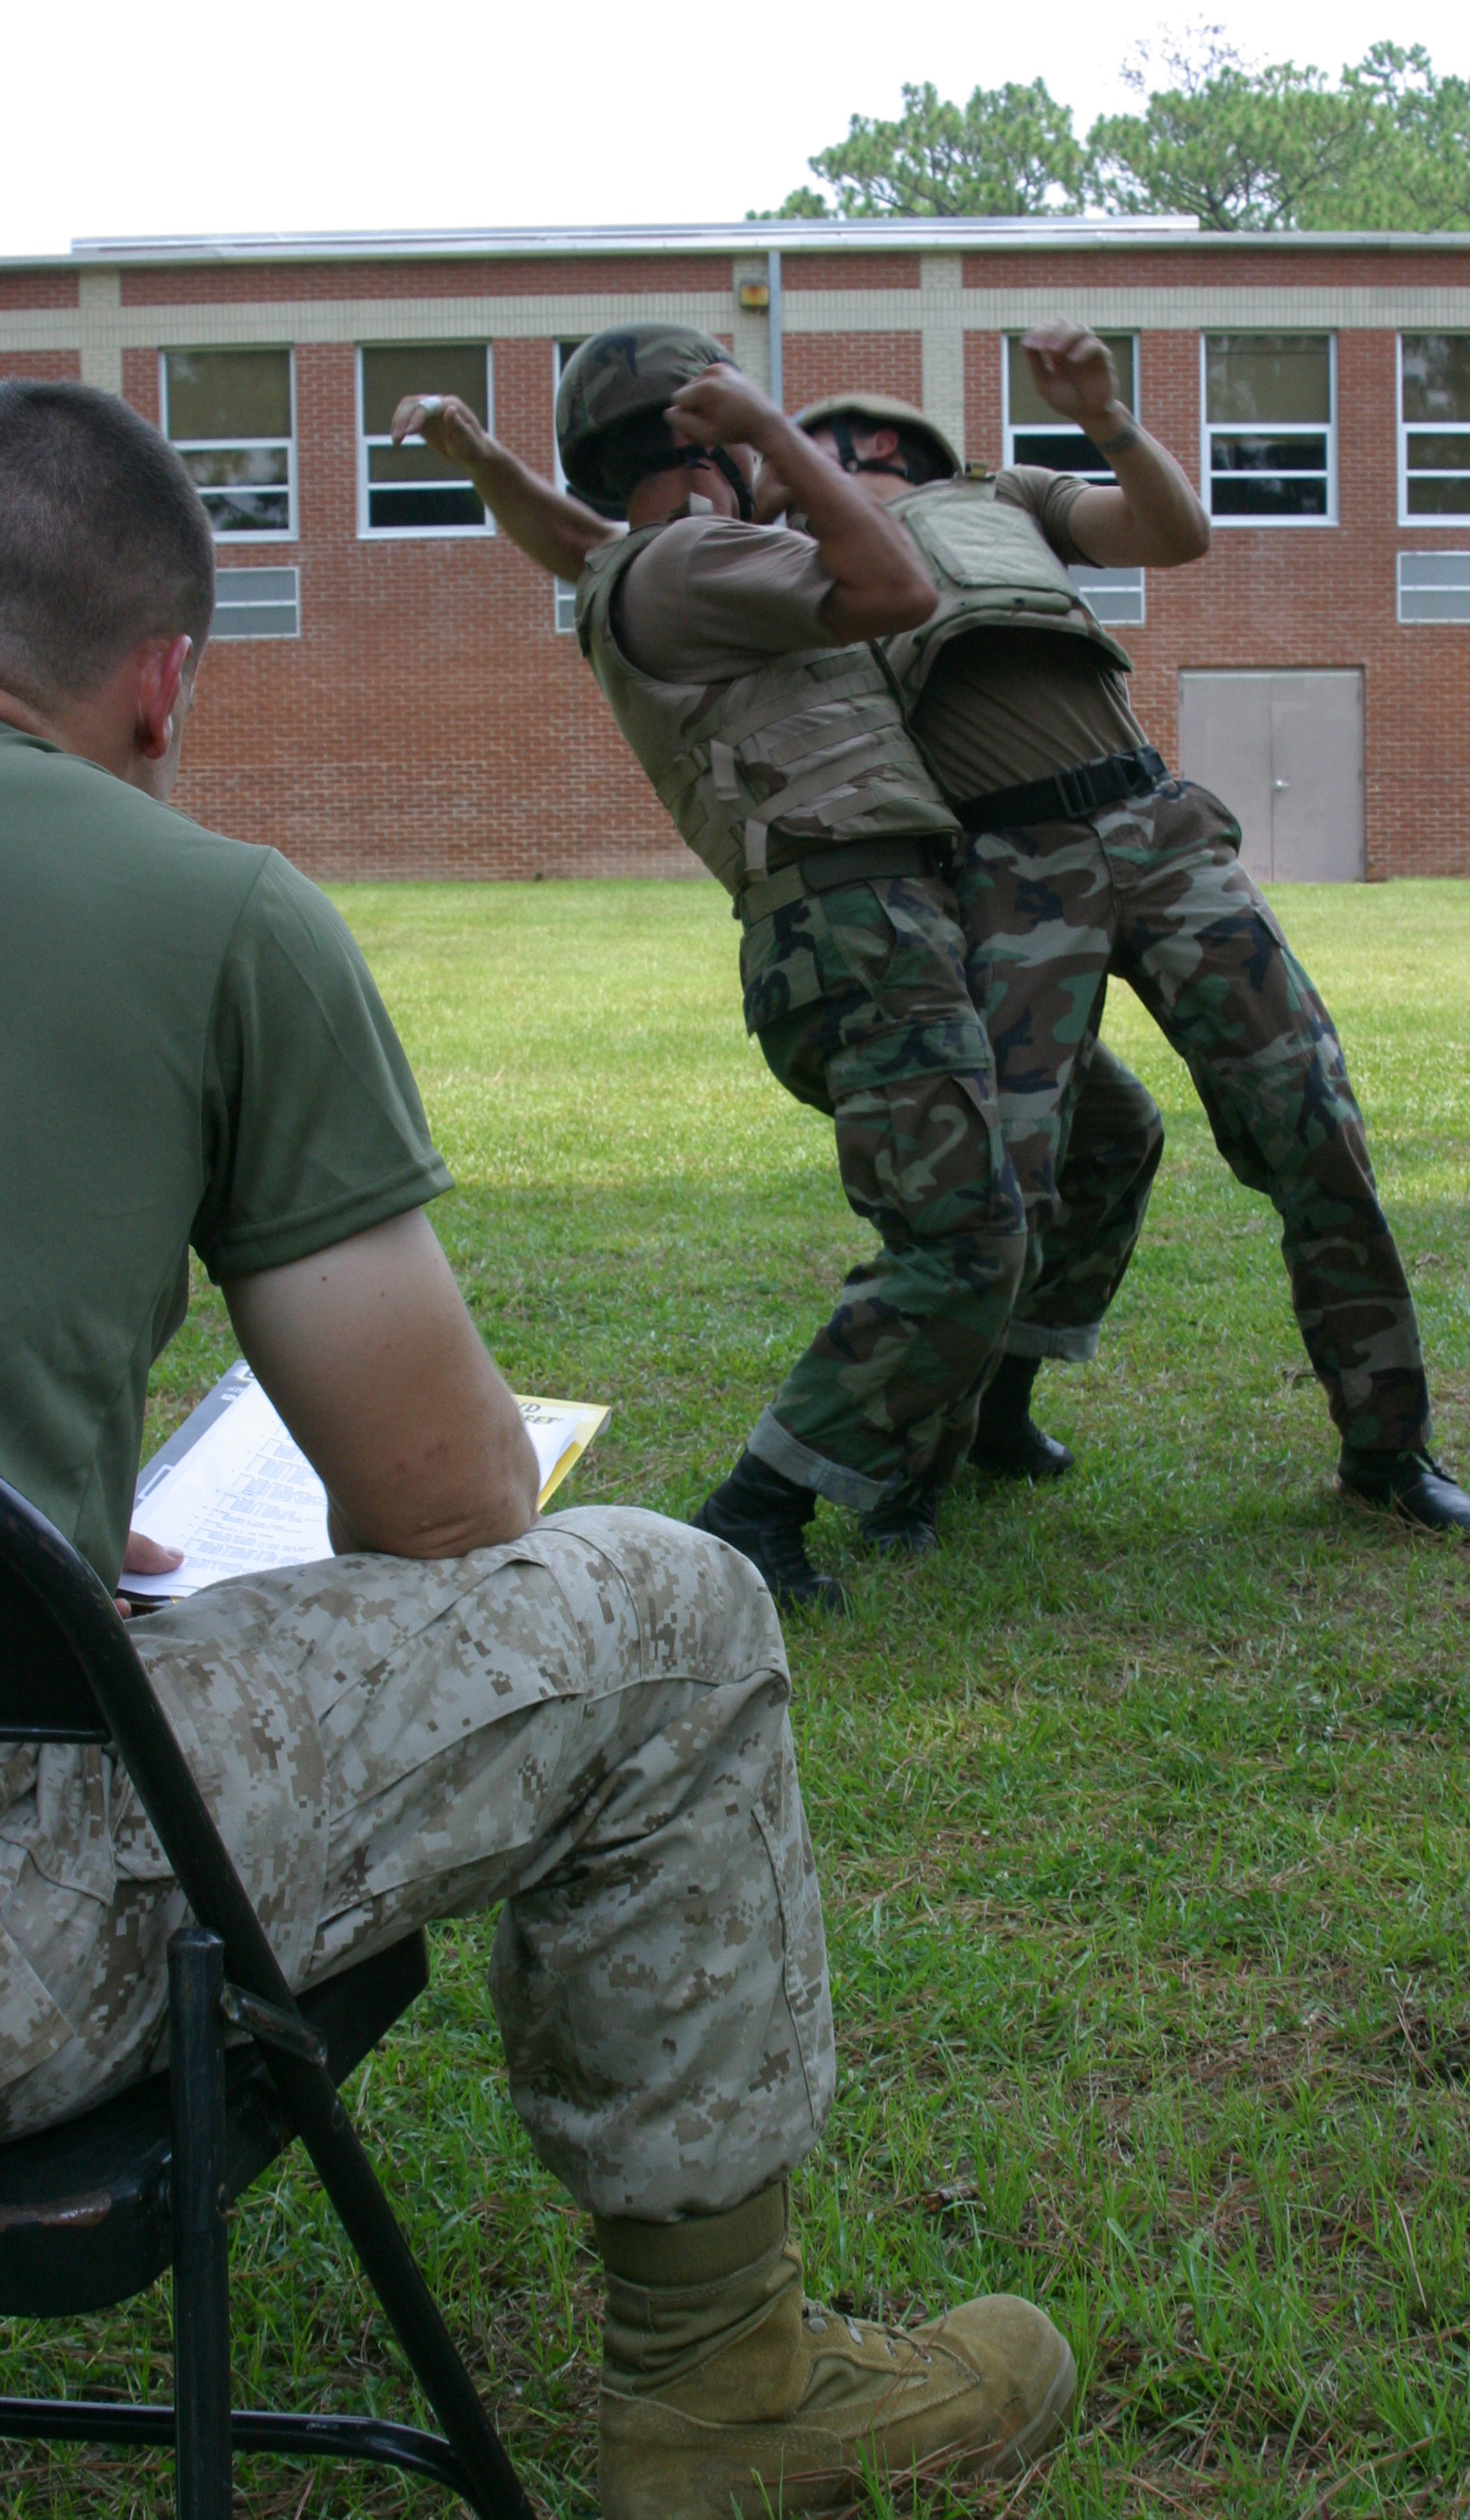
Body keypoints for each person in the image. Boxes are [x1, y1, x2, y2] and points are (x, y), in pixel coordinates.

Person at [0, 378, 1075, 2520]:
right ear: (166, 681)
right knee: (667, 1608)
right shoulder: (210, 911)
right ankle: (720, 2396)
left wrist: (23, 1564)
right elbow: (443, 1501)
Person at [782, 342, 1470, 1540]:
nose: (781, 492)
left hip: (1158, 829)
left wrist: (1106, 417)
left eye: (799, 465)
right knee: (1007, 1176)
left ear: (881, 452)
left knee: (1312, 1121)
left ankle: (1388, 1448)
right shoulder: (801, 578)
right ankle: (950, 1443)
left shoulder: (1002, 500)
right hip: (1006, 868)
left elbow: (1175, 533)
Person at [393, 332, 1043, 1610]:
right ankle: (763, 1506)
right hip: (864, 926)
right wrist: (779, 436)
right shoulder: (697, 554)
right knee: (966, 1242)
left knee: (1100, 1133)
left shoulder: (638, 564)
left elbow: (574, 536)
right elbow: (900, 584)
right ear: (703, 462)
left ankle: (966, 1430)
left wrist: (484, 460)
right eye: (739, 451)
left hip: (846, 927)